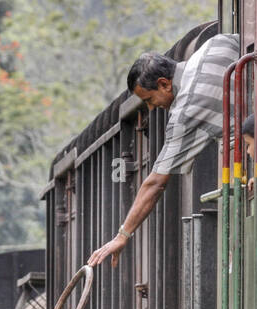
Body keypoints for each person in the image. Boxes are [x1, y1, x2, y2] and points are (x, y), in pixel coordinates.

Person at [87, 32, 241, 269]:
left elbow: (156, 183)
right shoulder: (216, 43)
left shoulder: (185, 112)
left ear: (164, 84)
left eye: (149, 100)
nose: (152, 107)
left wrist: (122, 235)